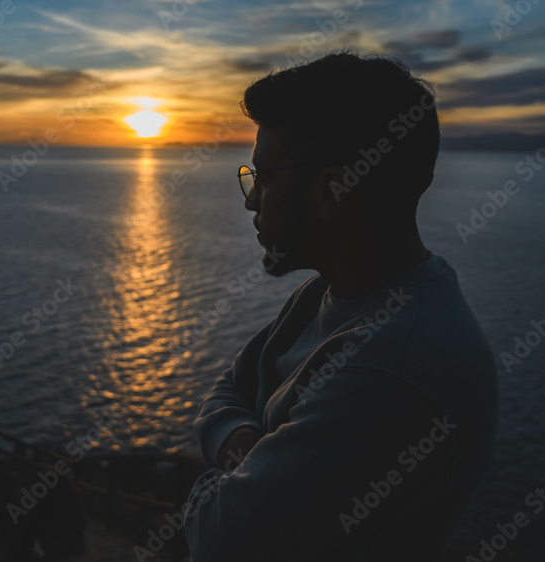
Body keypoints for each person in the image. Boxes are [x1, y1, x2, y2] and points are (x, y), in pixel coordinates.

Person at [184, 51, 499, 561]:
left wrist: (230, 469)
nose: (250, 201)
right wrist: (253, 453)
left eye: (263, 179)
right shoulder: (328, 295)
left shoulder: (394, 366)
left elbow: (218, 539)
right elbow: (227, 390)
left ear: (332, 190)